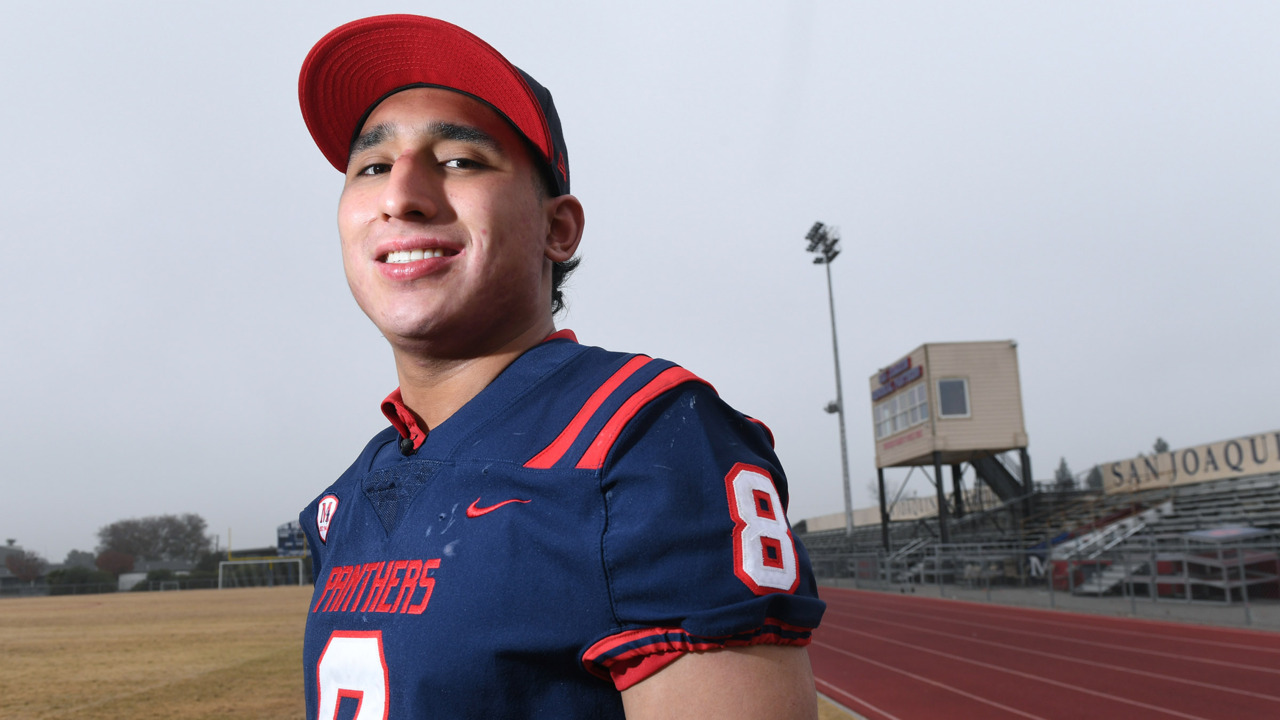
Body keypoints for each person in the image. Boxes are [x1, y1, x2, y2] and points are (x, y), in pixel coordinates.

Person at [296, 14, 825, 719]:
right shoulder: (349, 493)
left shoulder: (647, 441)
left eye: (459, 160)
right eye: (372, 167)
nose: (401, 195)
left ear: (557, 227)